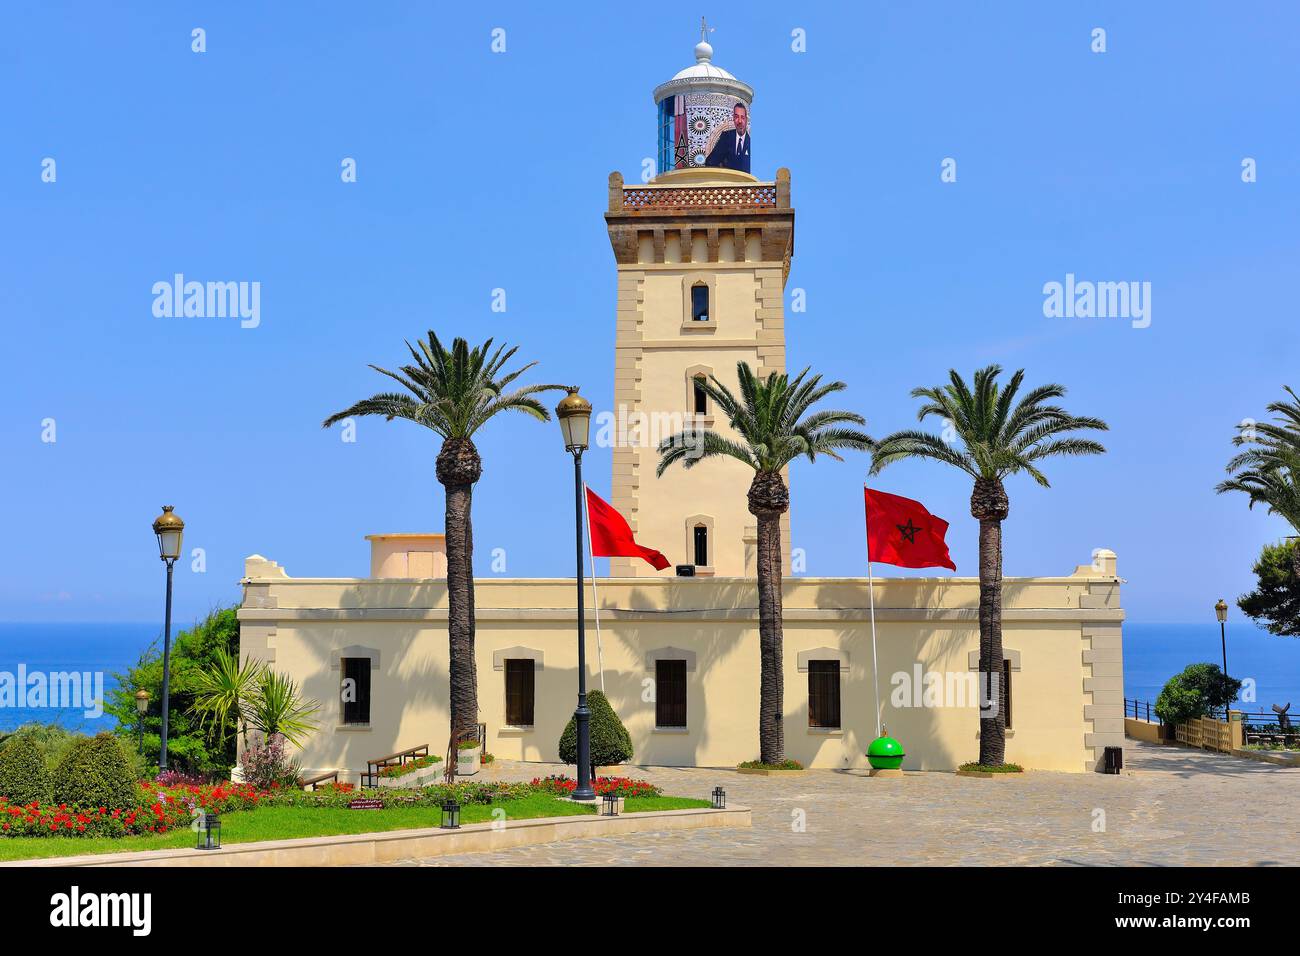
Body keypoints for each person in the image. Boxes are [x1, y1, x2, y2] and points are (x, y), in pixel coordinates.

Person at [705, 102, 751, 173]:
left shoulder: (750, 142)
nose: (739, 121)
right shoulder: (726, 137)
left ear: (746, 120)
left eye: (742, 117)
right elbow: (710, 161)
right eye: (736, 117)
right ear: (733, 118)